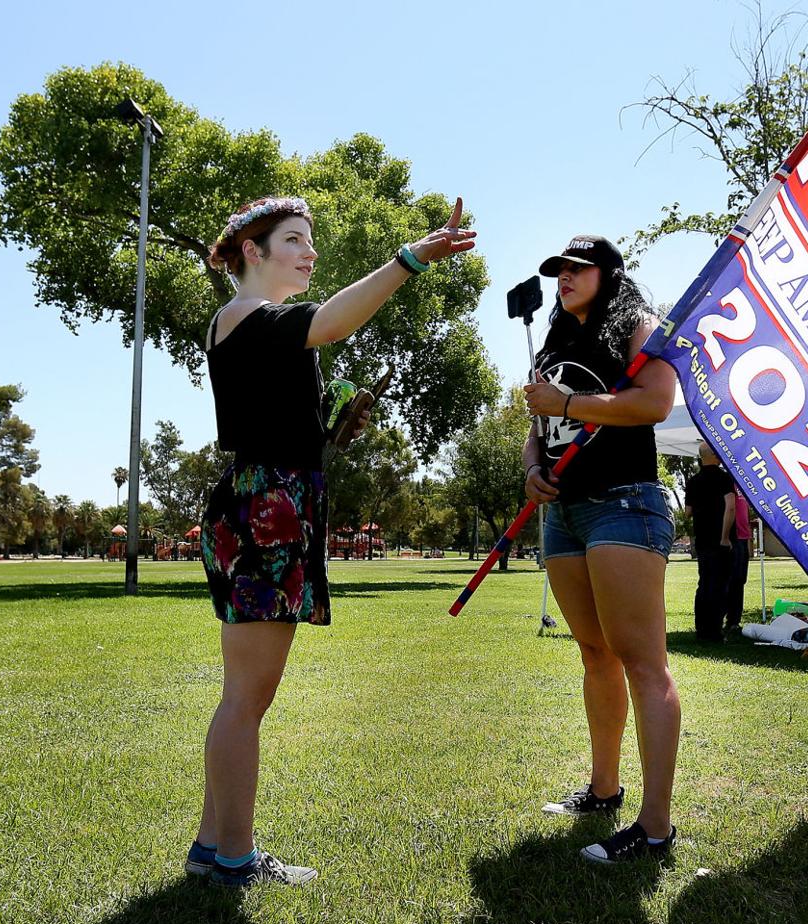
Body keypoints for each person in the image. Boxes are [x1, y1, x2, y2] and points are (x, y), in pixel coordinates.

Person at [191, 194, 475, 887]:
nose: (309, 252)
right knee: (245, 697)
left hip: (277, 503)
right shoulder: (244, 314)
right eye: (294, 240)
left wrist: (330, 429)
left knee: (247, 696)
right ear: (253, 252)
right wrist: (410, 259)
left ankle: (211, 846)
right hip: (266, 511)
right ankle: (234, 858)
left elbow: (286, 417)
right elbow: (330, 322)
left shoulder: (264, 329)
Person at [521, 235, 681, 865]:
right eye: (558, 269)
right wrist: (532, 469)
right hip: (563, 512)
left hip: (624, 502)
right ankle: (604, 788)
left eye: (577, 268)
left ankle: (657, 828)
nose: (564, 276)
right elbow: (539, 431)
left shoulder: (637, 324)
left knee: (642, 660)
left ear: (609, 273)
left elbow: (655, 402)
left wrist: (568, 402)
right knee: (593, 651)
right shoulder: (553, 345)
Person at [685, 440, 735, 643]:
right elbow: (730, 507)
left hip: (702, 539)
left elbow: (687, 513)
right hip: (719, 540)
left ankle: (701, 630)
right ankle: (714, 631)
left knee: (704, 583)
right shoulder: (724, 478)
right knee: (720, 585)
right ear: (714, 455)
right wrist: (724, 536)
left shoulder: (693, 481)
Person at [723, 481, 753, 634]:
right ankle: (728, 618)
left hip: (743, 537)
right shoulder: (726, 484)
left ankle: (735, 620)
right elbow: (730, 509)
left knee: (740, 580)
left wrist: (748, 540)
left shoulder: (742, 485)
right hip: (733, 537)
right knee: (732, 580)